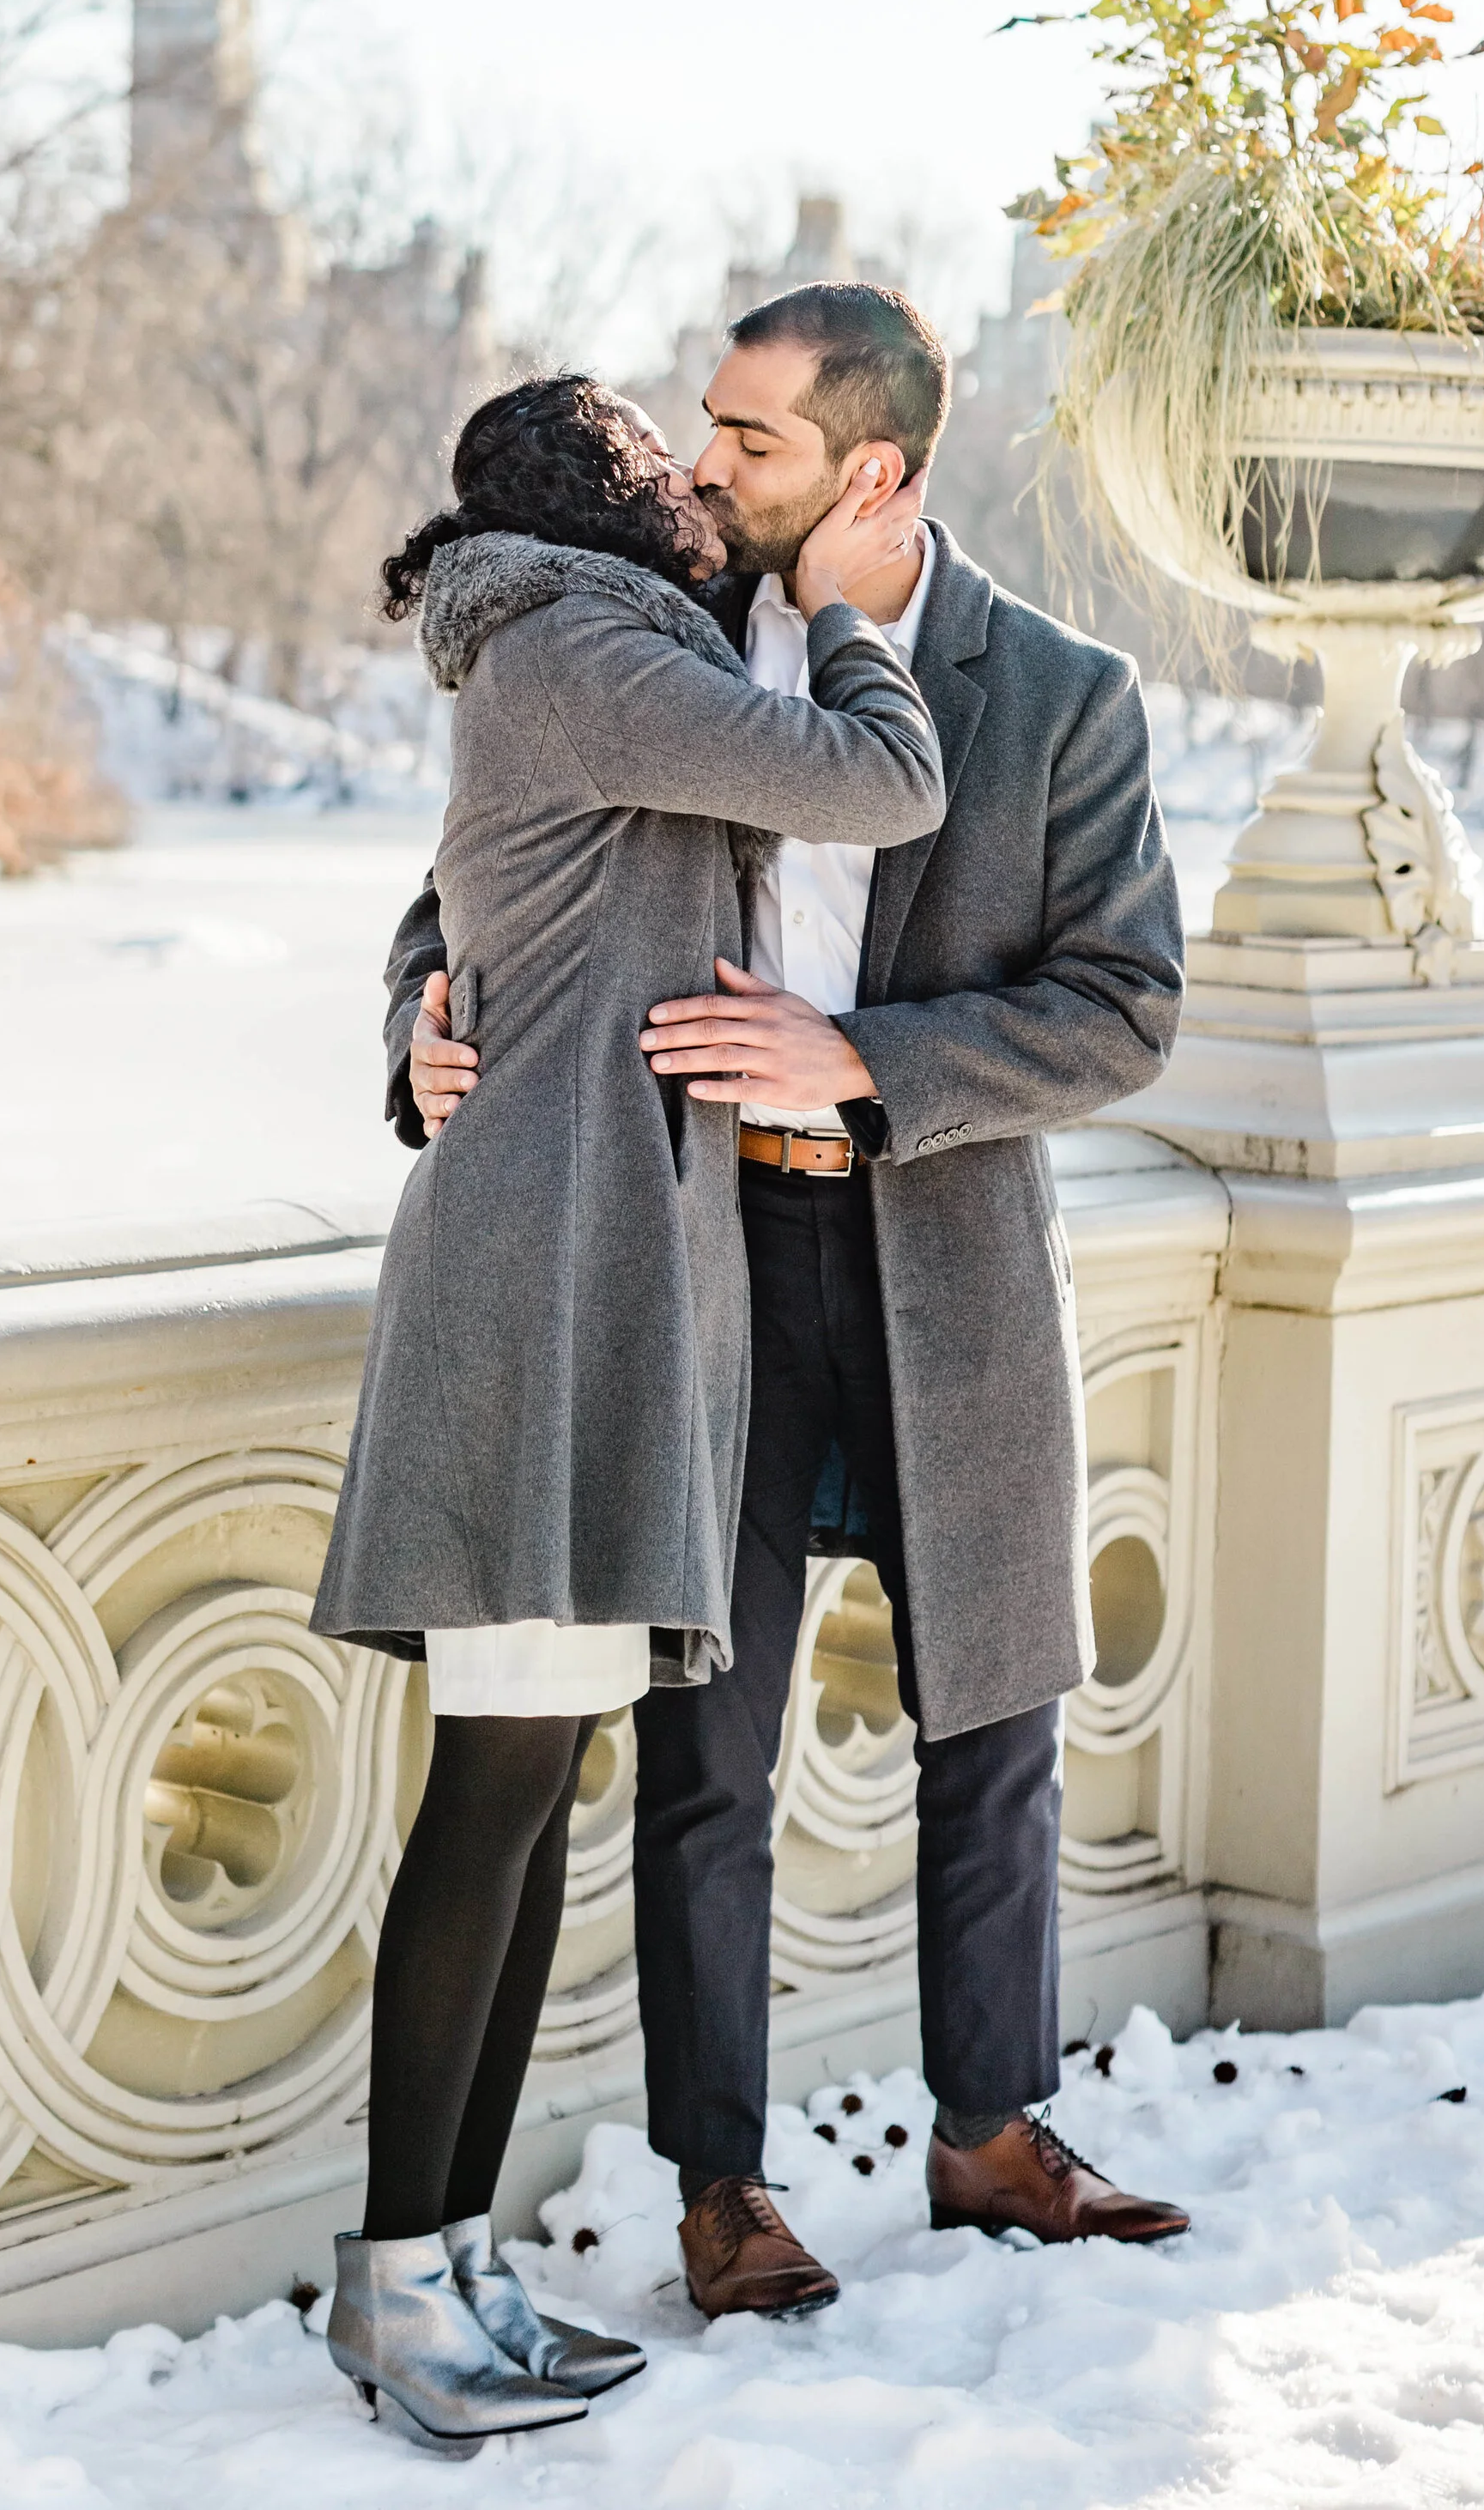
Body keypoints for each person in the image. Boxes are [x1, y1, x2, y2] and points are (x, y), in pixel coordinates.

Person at [395, 284, 1192, 2325]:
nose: (702, 465)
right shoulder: (650, 638)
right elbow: (468, 882)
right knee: (703, 1746)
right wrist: (409, 1025)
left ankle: (993, 2131)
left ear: (879, 471)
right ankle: (723, 2185)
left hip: (941, 1252)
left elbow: (1122, 1010)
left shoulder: (1062, 696)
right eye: (704, 426)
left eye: (748, 441)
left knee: (991, 1725)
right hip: (695, 1265)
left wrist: (867, 1067)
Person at [312, 370, 943, 2452]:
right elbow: (875, 785)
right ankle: (397, 2284)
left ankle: (458, 2261)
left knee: (529, 1798)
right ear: (606, 503)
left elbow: (465, 904)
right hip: (534, 1301)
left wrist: (420, 1003)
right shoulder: (587, 644)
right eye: (667, 463)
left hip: (594, 1292)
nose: (697, 482)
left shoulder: (588, 656)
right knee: (486, 1806)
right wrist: (855, 606)